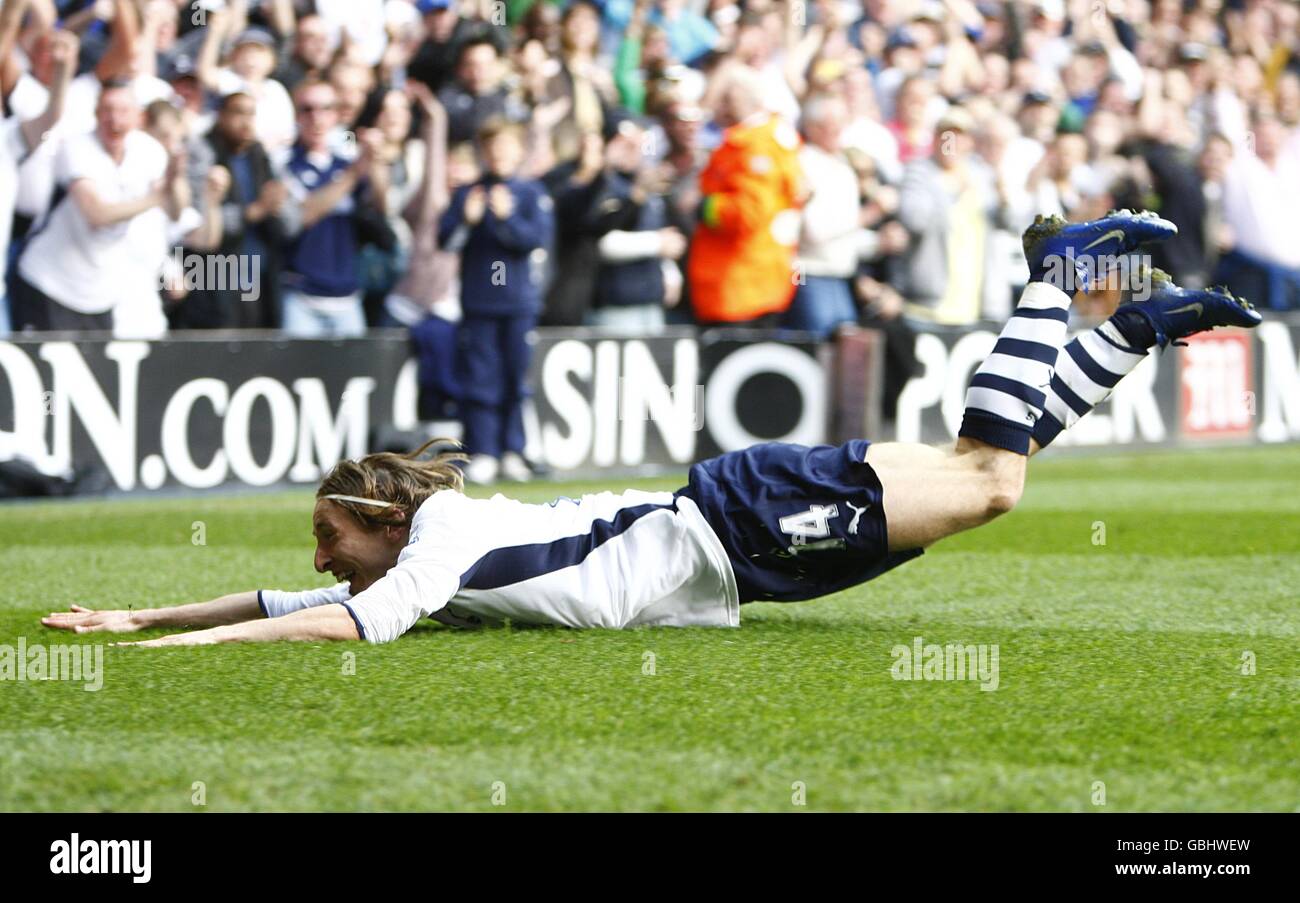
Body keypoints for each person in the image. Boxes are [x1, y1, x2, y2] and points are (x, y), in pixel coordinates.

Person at [40, 212, 1263, 645]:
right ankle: (1132, 332)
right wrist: (136, 615)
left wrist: (165, 656)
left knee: (990, 481)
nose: (316, 560)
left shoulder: (440, 541)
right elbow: (284, 602)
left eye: (325, 537)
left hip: (738, 526)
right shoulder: (428, 550)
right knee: (981, 464)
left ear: (378, 517)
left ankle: (1056, 275)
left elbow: (335, 625)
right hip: (739, 525)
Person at [13, 79, 185, 333]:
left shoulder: (149, 151)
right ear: (95, 114)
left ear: (139, 117)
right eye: (107, 110)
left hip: (99, 293)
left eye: (123, 111)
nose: (114, 119)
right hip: (49, 281)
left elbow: (175, 211)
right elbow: (96, 213)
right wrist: (155, 199)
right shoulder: (76, 148)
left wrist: (176, 179)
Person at [438, 117, 554, 484]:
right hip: (480, 302)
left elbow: (535, 239)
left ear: (519, 151)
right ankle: (483, 449)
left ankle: (512, 449)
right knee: (480, 378)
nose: (498, 155)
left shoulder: (531, 193)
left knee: (515, 378)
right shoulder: (468, 194)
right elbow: (444, 239)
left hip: (518, 302)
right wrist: (467, 220)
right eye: (491, 148)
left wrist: (506, 220)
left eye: (505, 147)